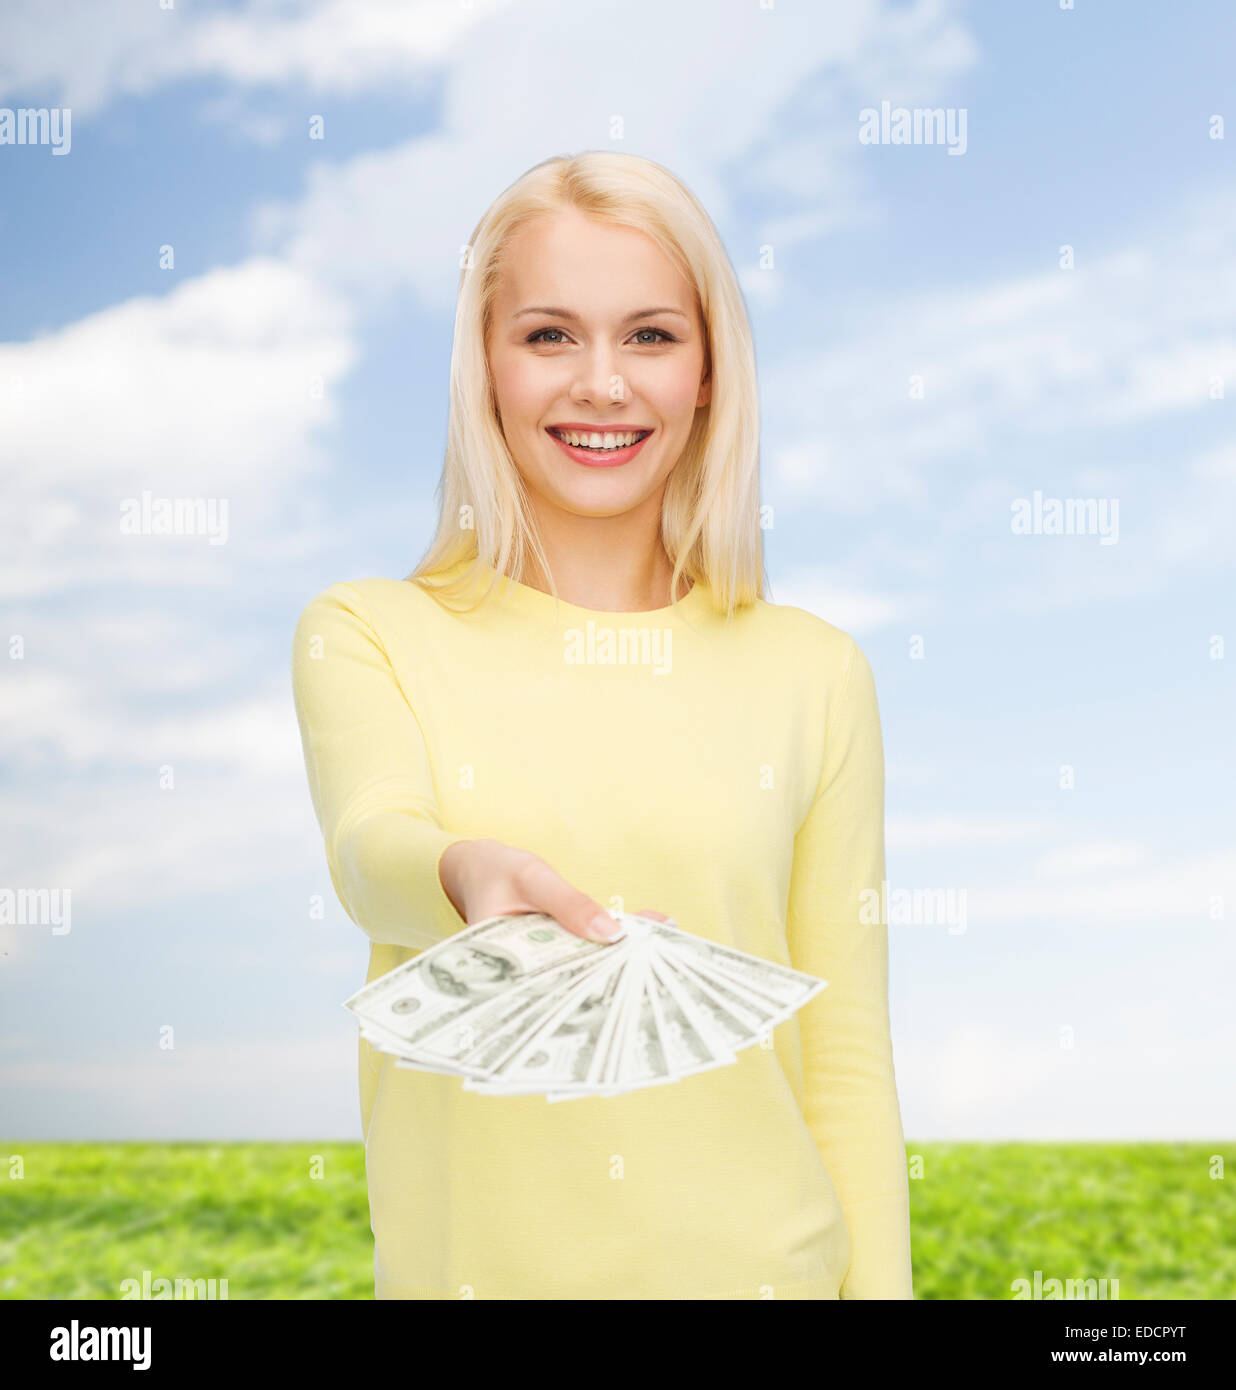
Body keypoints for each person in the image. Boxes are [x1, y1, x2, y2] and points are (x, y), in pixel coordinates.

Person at [291, 149, 913, 1300]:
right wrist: (458, 871)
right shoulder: (366, 630)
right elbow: (371, 850)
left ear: (710, 372)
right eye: (548, 336)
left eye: (651, 336)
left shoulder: (814, 672)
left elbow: (846, 1059)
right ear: (483, 366)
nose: (603, 385)